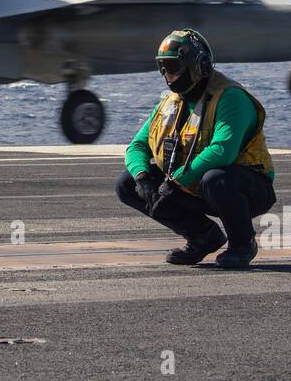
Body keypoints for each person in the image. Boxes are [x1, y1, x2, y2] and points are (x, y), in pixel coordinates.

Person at [115, 28, 276, 269]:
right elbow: (138, 145)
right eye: (162, 68)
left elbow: (223, 150)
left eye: (172, 67)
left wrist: (175, 182)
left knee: (217, 179)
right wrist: (143, 178)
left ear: (197, 65)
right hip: (190, 184)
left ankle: (242, 243)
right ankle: (202, 236)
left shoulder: (230, 98)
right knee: (127, 184)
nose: (166, 75)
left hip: (245, 187)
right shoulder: (169, 103)